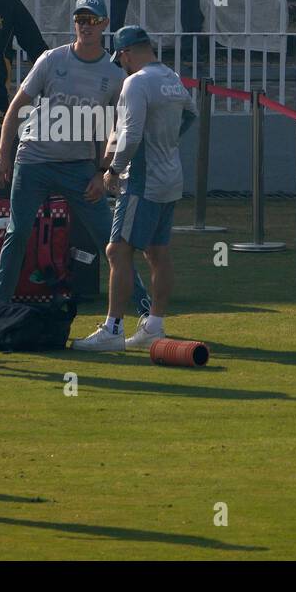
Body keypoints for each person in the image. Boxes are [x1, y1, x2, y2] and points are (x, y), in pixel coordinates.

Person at [0, 0, 150, 315]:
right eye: (80, 19)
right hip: (33, 159)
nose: (85, 25)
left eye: (92, 20)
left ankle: (146, 310)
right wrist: (2, 154)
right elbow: (17, 106)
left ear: (105, 24)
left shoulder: (116, 72)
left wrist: (103, 172)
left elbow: (118, 128)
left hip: (79, 167)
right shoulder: (51, 59)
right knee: (17, 232)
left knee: (110, 238)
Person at [72, 26, 195, 352]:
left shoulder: (136, 82)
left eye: (121, 58)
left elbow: (132, 133)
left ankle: (113, 328)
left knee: (117, 250)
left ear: (126, 53)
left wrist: (112, 169)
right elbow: (191, 113)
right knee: (158, 251)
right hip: (171, 177)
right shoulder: (171, 77)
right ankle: (154, 324)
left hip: (142, 180)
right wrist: (167, 142)